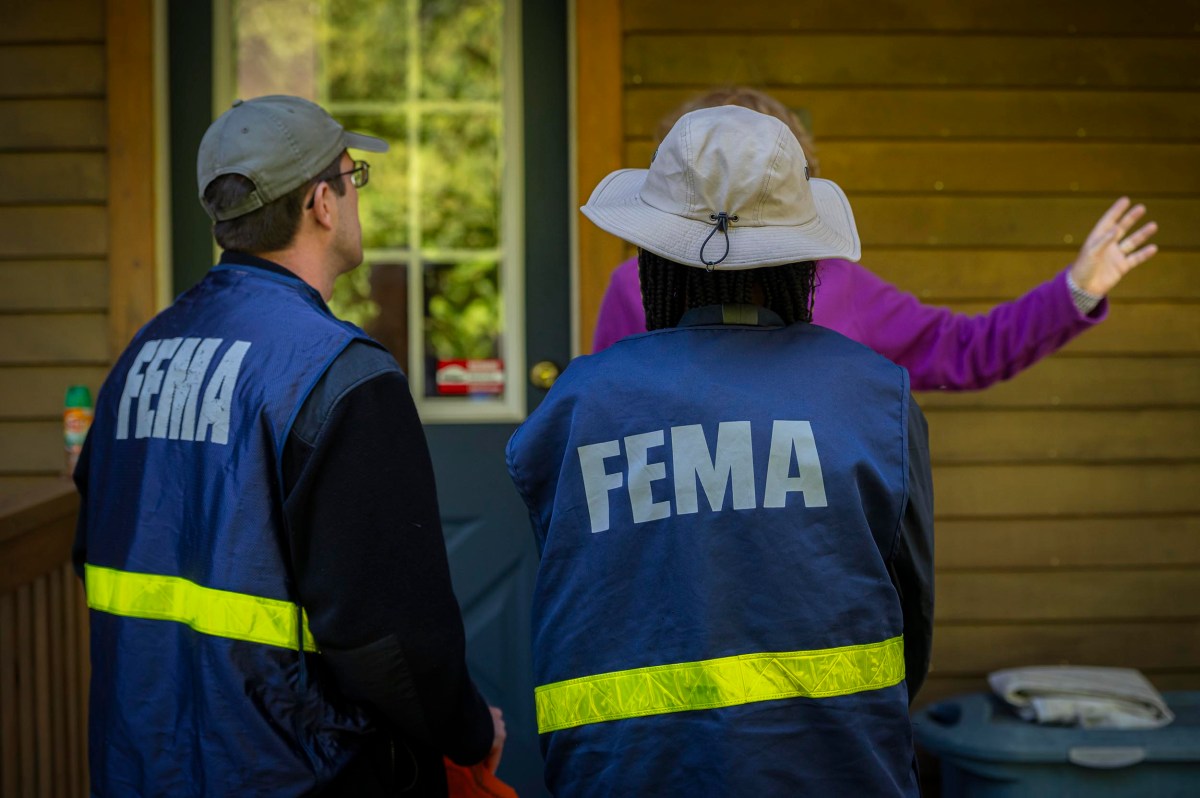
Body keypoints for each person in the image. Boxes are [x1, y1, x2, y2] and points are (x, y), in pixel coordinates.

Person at [72, 95, 505, 796]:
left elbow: (95, 552)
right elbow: (388, 641)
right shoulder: (339, 373)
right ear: (321, 203)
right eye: (353, 176)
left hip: (143, 768)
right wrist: (470, 731)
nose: (355, 195)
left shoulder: (142, 357)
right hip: (299, 774)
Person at [508, 105, 934, 795]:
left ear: (653, 258)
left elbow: (582, 598)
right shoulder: (875, 397)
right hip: (836, 771)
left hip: (623, 777)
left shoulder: (579, 404)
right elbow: (911, 615)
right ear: (800, 263)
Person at [593, 87, 1160, 392]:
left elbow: (963, 350)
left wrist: (1076, 291)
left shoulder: (838, 283)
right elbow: (604, 419)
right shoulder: (632, 287)